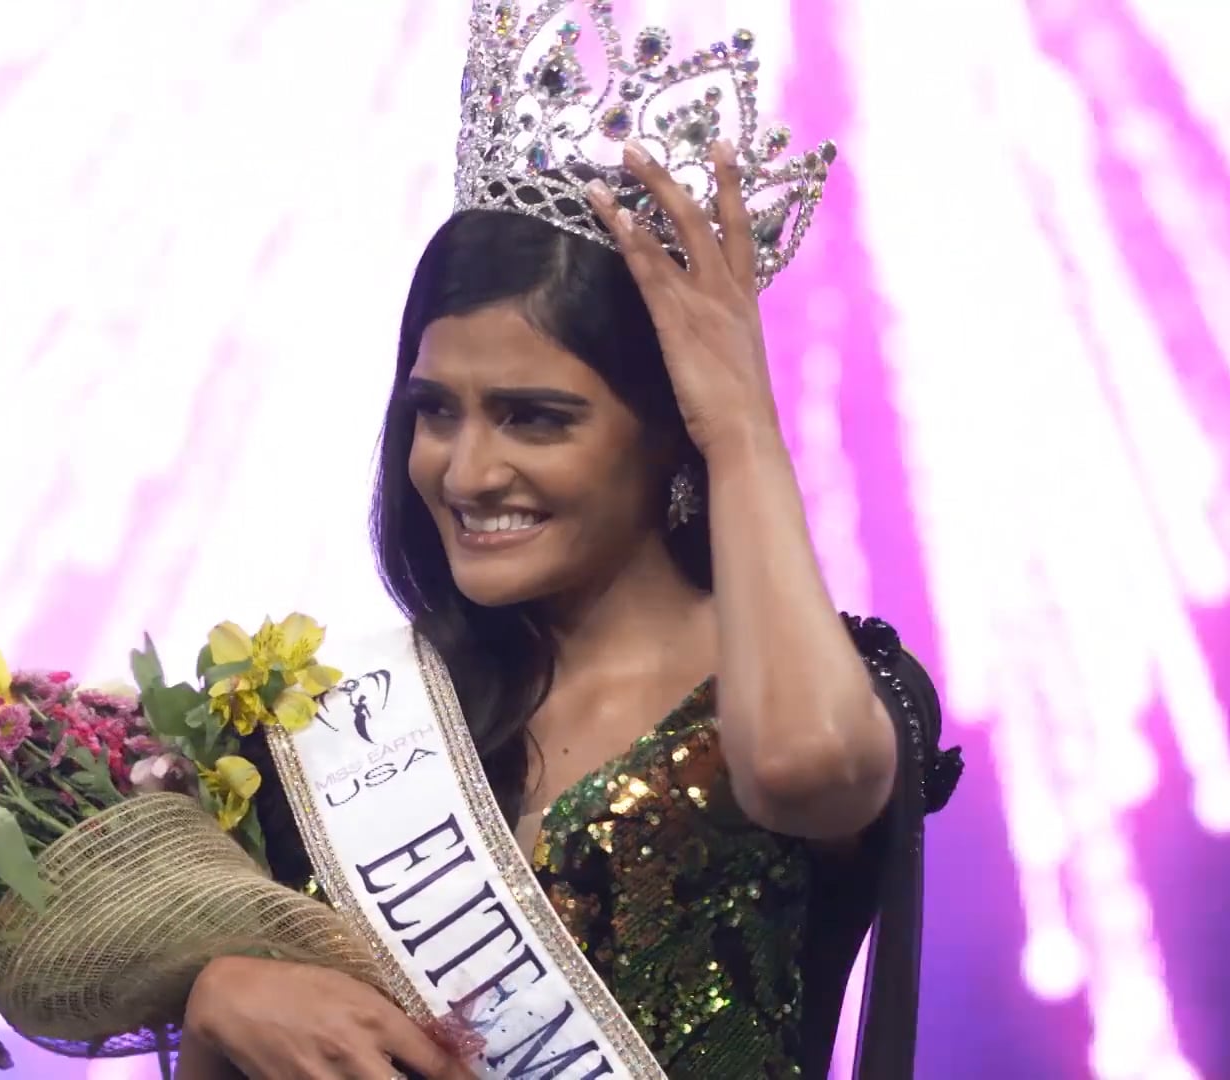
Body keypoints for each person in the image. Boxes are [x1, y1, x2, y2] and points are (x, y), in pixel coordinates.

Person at [173, 10, 960, 1079]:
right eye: (436, 411)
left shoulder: (809, 688)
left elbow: (808, 767)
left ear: (666, 429)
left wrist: (741, 423)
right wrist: (219, 998)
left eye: (535, 417)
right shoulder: (358, 721)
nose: (466, 471)